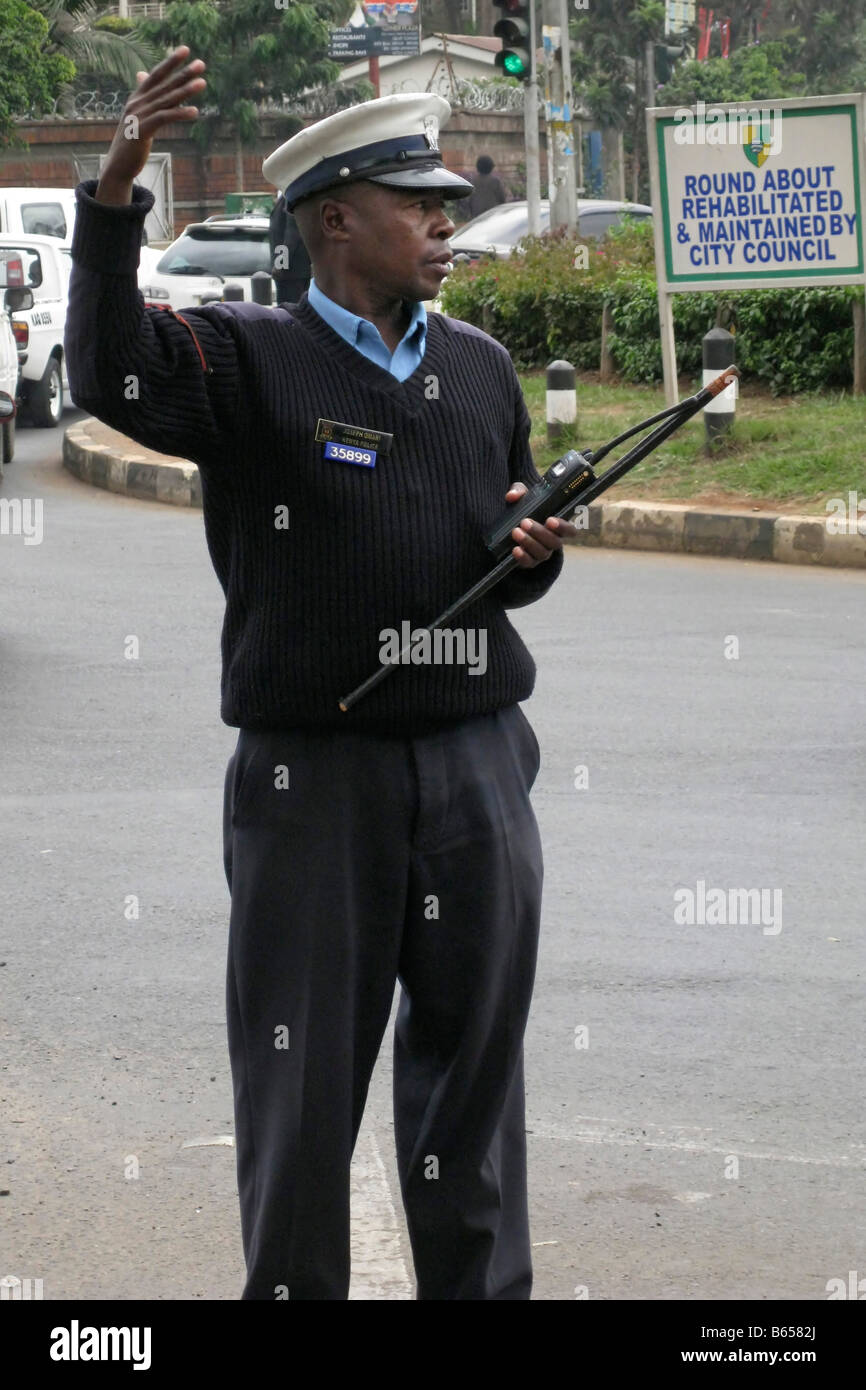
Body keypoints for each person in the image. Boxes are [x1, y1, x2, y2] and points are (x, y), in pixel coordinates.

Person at [64, 47, 580, 1301]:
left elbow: (492, 563)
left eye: (448, 204)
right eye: (421, 205)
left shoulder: (480, 371)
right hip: (314, 784)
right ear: (335, 220)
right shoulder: (245, 361)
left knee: (474, 1088)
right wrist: (117, 191)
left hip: (475, 770)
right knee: (301, 1093)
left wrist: (527, 557)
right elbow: (109, 372)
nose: (445, 224)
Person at [268, 188, 311, 303]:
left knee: (290, 312)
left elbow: (292, 235)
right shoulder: (285, 197)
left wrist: (280, 264)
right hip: (292, 271)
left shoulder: (290, 197)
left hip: (291, 271)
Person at [462, 153, 507, 220]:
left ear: (478, 167)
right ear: (491, 167)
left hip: (477, 216)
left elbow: (467, 201)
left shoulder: (473, 181)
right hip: (493, 215)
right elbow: (502, 199)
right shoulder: (495, 181)